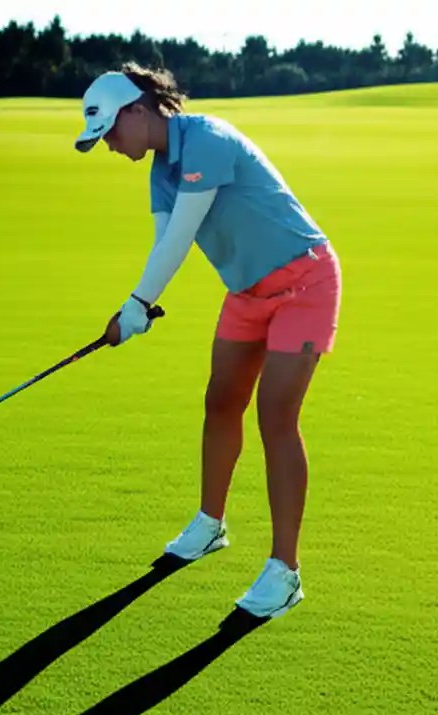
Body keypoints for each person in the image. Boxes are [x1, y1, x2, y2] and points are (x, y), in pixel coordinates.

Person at [75, 63, 342, 620]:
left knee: (275, 416)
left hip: (304, 284)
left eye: (112, 134)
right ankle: (210, 523)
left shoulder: (207, 140)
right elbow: (162, 248)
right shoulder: (159, 171)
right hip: (246, 293)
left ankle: (284, 571)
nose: (111, 148)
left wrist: (135, 305)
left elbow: (182, 233)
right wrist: (141, 307)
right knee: (220, 402)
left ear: (139, 111)